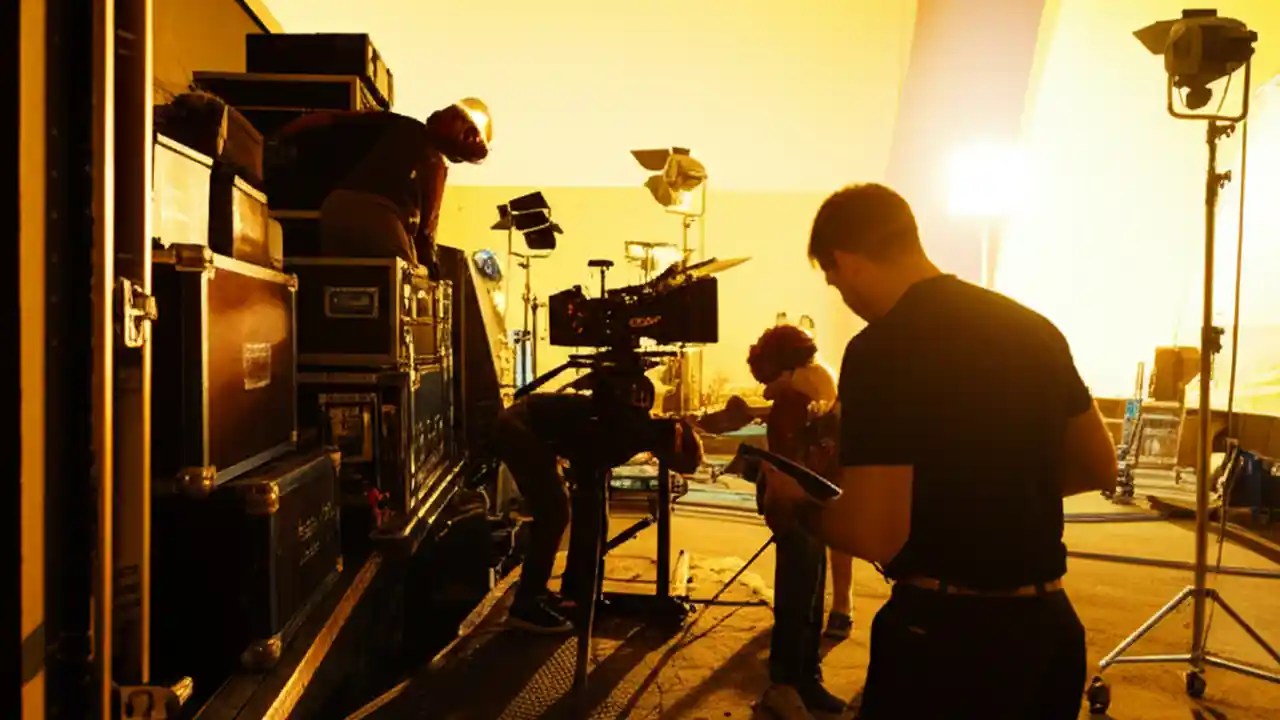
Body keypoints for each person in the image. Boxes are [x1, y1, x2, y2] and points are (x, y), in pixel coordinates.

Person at [759, 183, 1117, 719]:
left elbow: (873, 533)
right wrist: (989, 488)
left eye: (834, 281)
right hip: (1048, 632)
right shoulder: (1033, 328)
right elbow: (1099, 464)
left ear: (846, 261)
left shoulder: (882, 349)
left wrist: (797, 504)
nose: (844, 297)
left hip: (944, 639)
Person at [494, 389, 703, 633]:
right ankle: (526, 606)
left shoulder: (642, 428)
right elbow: (589, 467)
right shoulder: (632, 435)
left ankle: (539, 593)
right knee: (554, 513)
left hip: (529, 425)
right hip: (520, 428)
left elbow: (589, 457)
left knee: (560, 509)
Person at [746, 324, 848, 719]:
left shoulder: (801, 391)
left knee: (806, 596)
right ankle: (788, 683)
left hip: (804, 504)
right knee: (799, 598)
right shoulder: (805, 389)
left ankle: (804, 679)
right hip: (800, 507)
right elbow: (795, 458)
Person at [274, 98, 492, 276]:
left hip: (334, 209)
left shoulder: (399, 124)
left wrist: (280, 135)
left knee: (341, 282)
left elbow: (331, 118)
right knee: (405, 284)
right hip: (378, 214)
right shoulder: (434, 163)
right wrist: (431, 270)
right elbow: (426, 233)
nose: (463, 124)